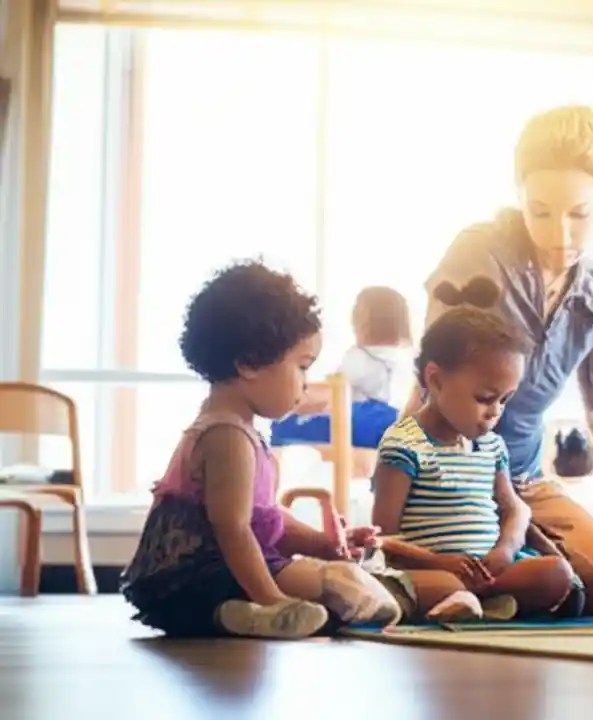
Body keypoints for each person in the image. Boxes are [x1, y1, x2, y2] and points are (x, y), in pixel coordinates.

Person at [408, 105, 593, 616]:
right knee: (554, 581)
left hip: (523, 476)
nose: (560, 235)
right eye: (541, 211)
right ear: (520, 197)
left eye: (580, 213)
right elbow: (429, 377)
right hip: (448, 471)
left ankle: (512, 585)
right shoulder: (477, 252)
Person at [120, 261, 402, 639]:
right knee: (334, 581)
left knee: (329, 576)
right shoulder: (227, 437)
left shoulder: (239, 432)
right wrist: (274, 597)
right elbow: (234, 530)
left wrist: (323, 544)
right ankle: (261, 611)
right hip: (192, 580)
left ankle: (238, 615)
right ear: (249, 363)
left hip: (197, 585)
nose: (306, 384)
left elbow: (264, 517)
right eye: (302, 367)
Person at [371, 278, 577, 620]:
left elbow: (515, 510)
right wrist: (438, 562)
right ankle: (475, 602)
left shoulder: (491, 446)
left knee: (556, 573)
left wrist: (506, 549)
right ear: (436, 380)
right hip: (433, 569)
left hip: (489, 571)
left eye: (505, 399)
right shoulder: (404, 445)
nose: (495, 411)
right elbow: (382, 541)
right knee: (440, 586)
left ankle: (482, 602)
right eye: (484, 398)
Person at [270, 285, 414, 451]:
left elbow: (329, 395)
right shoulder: (409, 356)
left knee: (281, 426)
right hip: (402, 425)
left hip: (368, 425)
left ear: (366, 320)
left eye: (358, 311)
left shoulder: (361, 356)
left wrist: (286, 402)